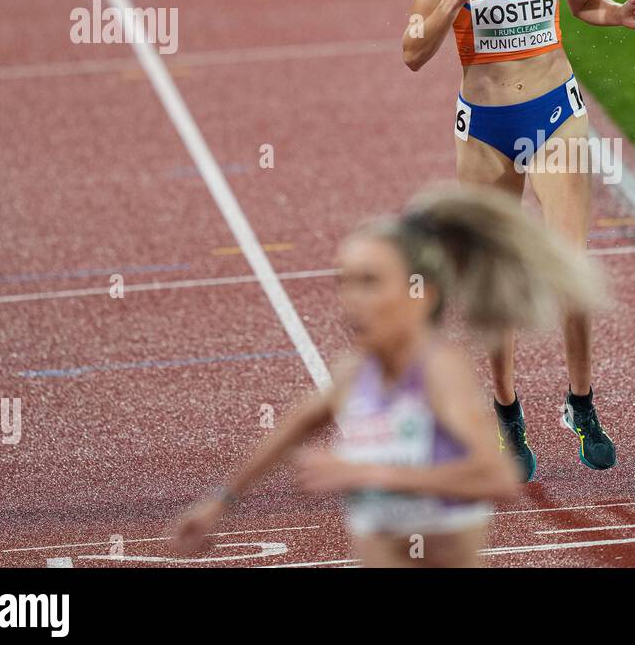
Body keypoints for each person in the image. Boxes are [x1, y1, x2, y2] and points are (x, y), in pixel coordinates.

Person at [172, 183, 605, 567]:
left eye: (370, 282)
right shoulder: (355, 375)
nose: (351, 300)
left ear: (421, 293)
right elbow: (291, 430)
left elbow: (495, 477)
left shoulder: (438, 372)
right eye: (344, 282)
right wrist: (220, 501)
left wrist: (370, 474)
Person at [402, 0, 635, 481]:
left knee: (570, 267)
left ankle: (580, 402)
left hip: (554, 114)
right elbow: (412, 49)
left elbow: (586, 3)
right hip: (485, 125)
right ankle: (508, 412)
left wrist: (620, 14)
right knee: (497, 282)